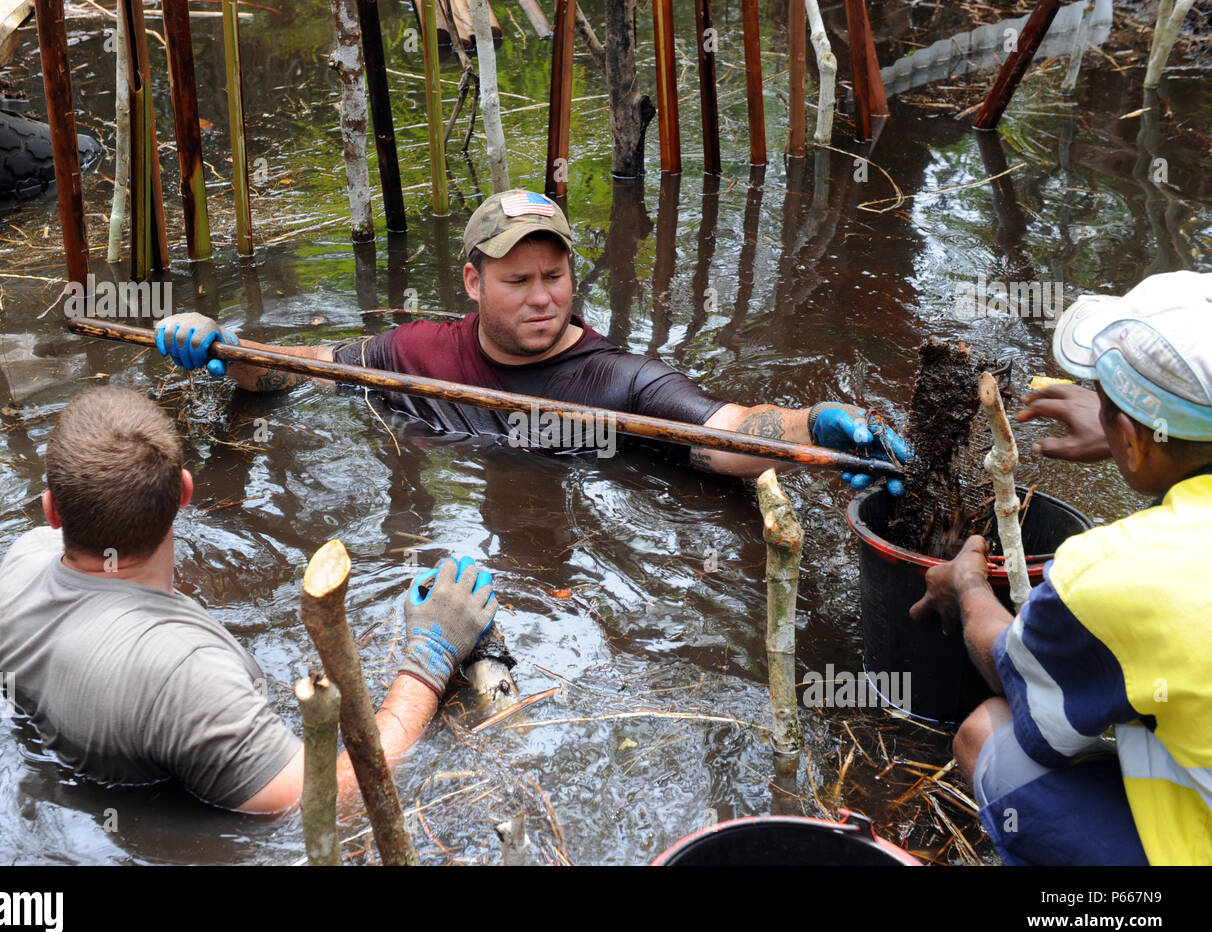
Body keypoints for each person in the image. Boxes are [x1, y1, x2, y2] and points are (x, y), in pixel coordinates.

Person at [154, 189, 910, 492]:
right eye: (518, 281)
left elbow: (726, 434)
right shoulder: (415, 349)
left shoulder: (618, 378)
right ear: (474, 283)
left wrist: (814, 426)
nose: (543, 297)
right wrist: (221, 345)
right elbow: (293, 372)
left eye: (554, 275)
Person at [0, 386, 498, 814]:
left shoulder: (22, 561)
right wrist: (428, 662)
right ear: (185, 492)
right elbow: (326, 802)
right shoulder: (187, 677)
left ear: (51, 511)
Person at [910, 270, 1212, 865]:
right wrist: (1131, 437)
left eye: (1105, 405)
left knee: (989, 730)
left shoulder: (1116, 572)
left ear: (1132, 437)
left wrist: (969, 587)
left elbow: (1014, 674)